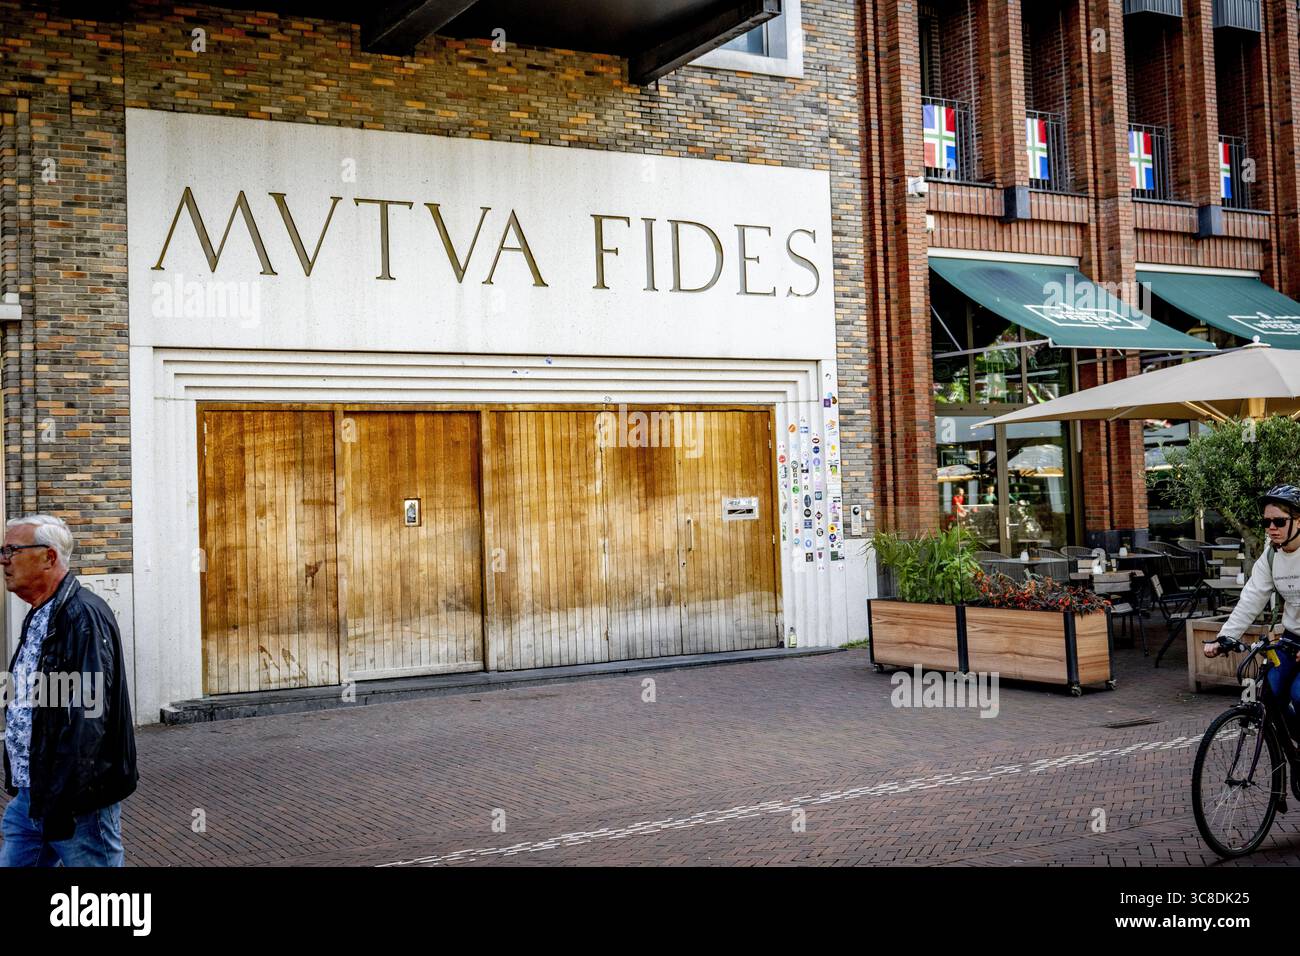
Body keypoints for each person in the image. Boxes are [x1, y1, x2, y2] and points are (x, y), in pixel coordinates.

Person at [0, 515, 137, 866]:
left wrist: (66, 798)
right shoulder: (39, 612)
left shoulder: (82, 615)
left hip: (76, 802)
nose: (4, 559)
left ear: (49, 557)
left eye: (12, 550)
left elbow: (90, 714)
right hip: (34, 793)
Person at [1206, 485, 1300, 743]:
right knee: (1271, 690)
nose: (1271, 527)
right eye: (1267, 521)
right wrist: (1225, 637)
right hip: (1292, 638)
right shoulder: (1271, 556)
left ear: (1298, 520)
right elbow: (1252, 597)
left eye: (1279, 521)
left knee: (1299, 693)